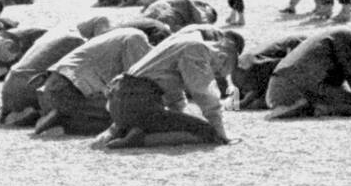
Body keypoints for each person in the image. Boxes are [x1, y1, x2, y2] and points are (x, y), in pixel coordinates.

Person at [100, 29, 243, 148]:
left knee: (176, 123)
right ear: (222, 57)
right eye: (217, 72)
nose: (214, 75)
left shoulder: (183, 40)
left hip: (120, 101)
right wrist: (219, 130)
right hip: (140, 103)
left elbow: (172, 87)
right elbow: (204, 92)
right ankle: (140, 139)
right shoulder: (197, 50)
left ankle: (128, 130)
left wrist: (177, 118)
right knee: (207, 132)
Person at [35, 27, 153, 136]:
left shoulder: (114, 36)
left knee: (118, 110)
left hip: (52, 88)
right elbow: (137, 79)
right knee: (127, 117)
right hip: (70, 89)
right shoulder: (137, 38)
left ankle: (57, 117)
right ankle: (64, 123)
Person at [265, 27, 351, 118]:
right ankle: (315, 107)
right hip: (297, 87)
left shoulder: (337, 34)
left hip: (278, 90)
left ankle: (303, 105)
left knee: (346, 97)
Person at [0, 29, 90, 126]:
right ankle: (35, 111)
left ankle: (10, 112)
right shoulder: (77, 41)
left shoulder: (52, 34)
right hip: (28, 87)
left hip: (8, 86)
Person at [232, 35, 306, 110]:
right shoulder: (297, 45)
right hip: (253, 68)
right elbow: (283, 65)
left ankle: (249, 99)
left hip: (241, 66)